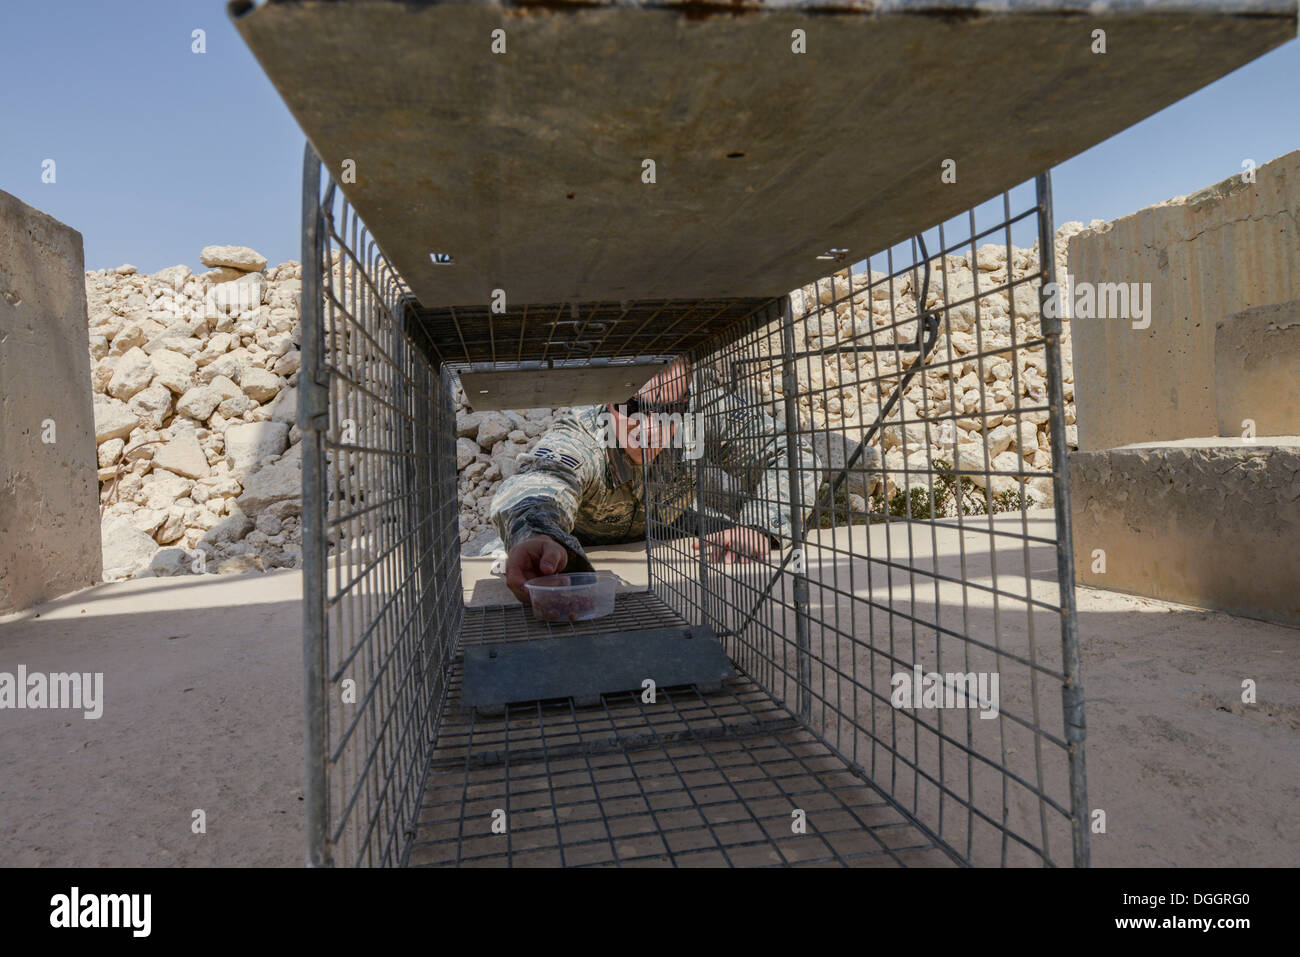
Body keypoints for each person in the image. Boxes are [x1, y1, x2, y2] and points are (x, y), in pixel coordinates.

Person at [487, 357, 820, 603]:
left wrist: (760, 526)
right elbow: (539, 483)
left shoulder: (704, 413)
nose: (649, 429)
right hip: (576, 543)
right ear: (608, 401)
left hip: (668, 525)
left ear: (686, 399)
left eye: (669, 409)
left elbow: (791, 453)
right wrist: (538, 535)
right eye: (633, 407)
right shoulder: (585, 434)